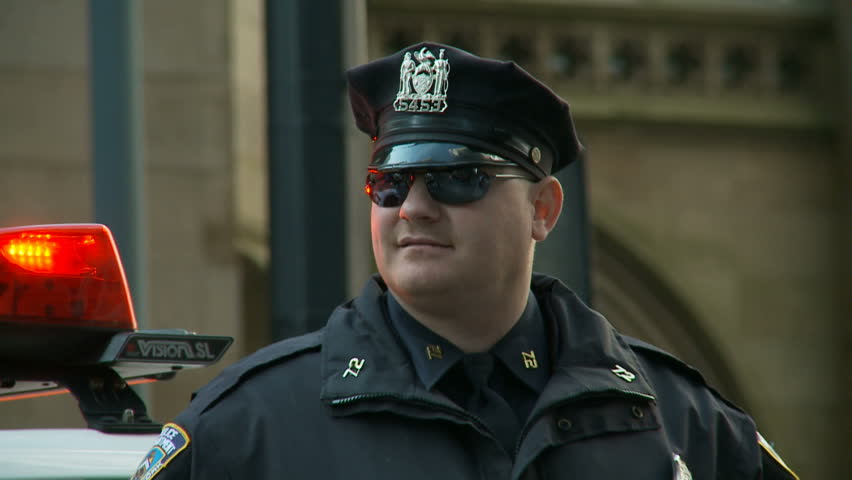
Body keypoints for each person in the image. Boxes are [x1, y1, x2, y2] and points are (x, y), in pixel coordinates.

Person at [134, 42, 798, 480]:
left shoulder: (676, 419)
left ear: (543, 209)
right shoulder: (254, 426)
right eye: (389, 184)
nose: (413, 208)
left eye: (457, 180)